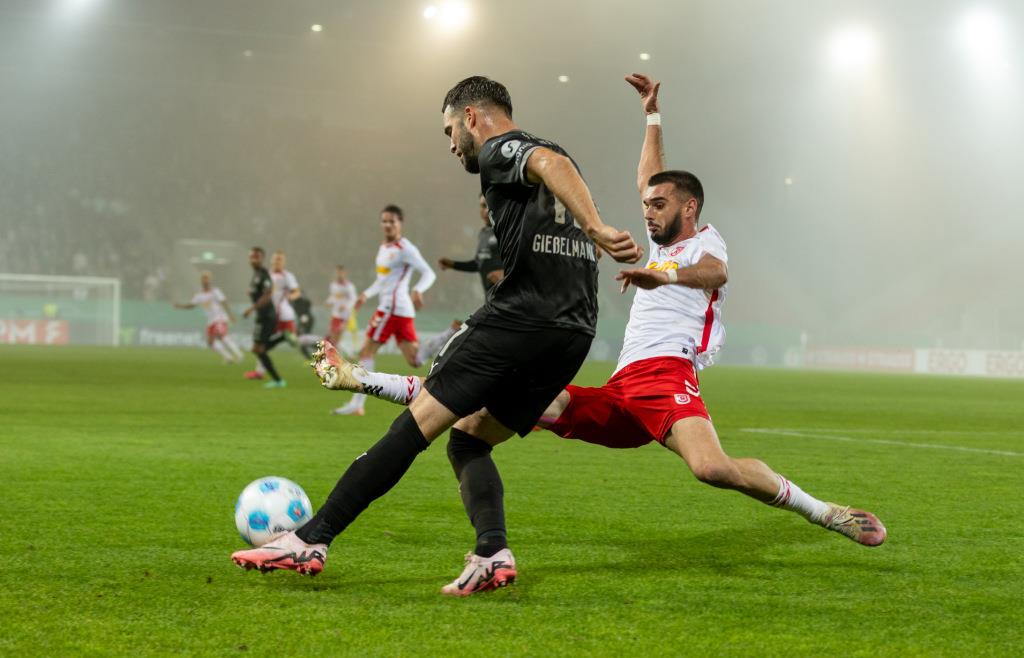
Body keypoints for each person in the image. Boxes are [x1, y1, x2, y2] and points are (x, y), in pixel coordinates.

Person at [304, 73, 888, 595]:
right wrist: (652, 117)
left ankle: (822, 511)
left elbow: (717, 274)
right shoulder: (658, 229)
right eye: (647, 205)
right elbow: (647, 176)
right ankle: (375, 399)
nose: (649, 211)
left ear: (690, 206)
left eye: (660, 205)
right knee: (470, 418)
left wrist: (663, 276)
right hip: (620, 390)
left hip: (665, 377)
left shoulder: (703, 244)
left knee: (711, 469)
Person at [231, 75, 642, 583]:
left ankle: (311, 538)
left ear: (471, 116)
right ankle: (493, 553)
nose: (451, 144)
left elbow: (548, 165)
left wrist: (597, 227)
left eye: (450, 130)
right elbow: (555, 165)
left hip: (519, 318)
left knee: (417, 424)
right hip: (573, 332)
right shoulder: (553, 154)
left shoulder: (500, 148)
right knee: (469, 438)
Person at [330, 204, 439, 416]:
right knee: (414, 359)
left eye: (392, 221)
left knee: (366, 351)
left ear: (400, 224)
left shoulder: (405, 248)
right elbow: (383, 280)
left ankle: (357, 404)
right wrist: (366, 294)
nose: (388, 225)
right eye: (384, 221)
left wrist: (417, 289)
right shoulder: (384, 248)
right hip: (400, 310)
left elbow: (429, 273)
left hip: (391, 308)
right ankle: (446, 336)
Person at [172, 271, 244, 363]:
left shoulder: (216, 291)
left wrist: (230, 315)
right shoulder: (199, 294)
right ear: (201, 281)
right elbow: (191, 305)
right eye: (203, 278)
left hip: (220, 318)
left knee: (221, 335)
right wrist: (179, 306)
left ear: (210, 280)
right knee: (210, 342)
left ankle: (239, 354)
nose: (205, 280)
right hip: (211, 320)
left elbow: (224, 302)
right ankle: (228, 357)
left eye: (207, 278)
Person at [438, 195, 504, 293]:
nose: (486, 210)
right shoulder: (483, 233)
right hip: (492, 300)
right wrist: (453, 265)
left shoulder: (506, 231)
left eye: (490, 206)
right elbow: (479, 264)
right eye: (483, 206)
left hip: (510, 299)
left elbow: (528, 262)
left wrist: (506, 275)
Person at [241, 247, 285, 388]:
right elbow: (258, 292)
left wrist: (251, 308)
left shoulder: (264, 274)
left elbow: (267, 294)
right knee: (259, 349)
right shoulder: (256, 274)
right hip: (262, 316)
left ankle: (278, 381)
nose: (253, 259)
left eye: (257, 257)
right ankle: (283, 337)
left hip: (266, 316)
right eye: (251, 256)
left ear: (262, 258)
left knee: (258, 349)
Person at [324, 266, 358, 353]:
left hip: (345, 316)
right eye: (338, 273)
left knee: (335, 336)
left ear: (344, 273)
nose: (339, 274)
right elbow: (333, 297)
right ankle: (333, 357)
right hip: (335, 314)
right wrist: (328, 302)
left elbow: (354, 299)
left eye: (341, 273)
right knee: (332, 336)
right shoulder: (333, 285)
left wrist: (346, 306)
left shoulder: (349, 286)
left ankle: (334, 357)